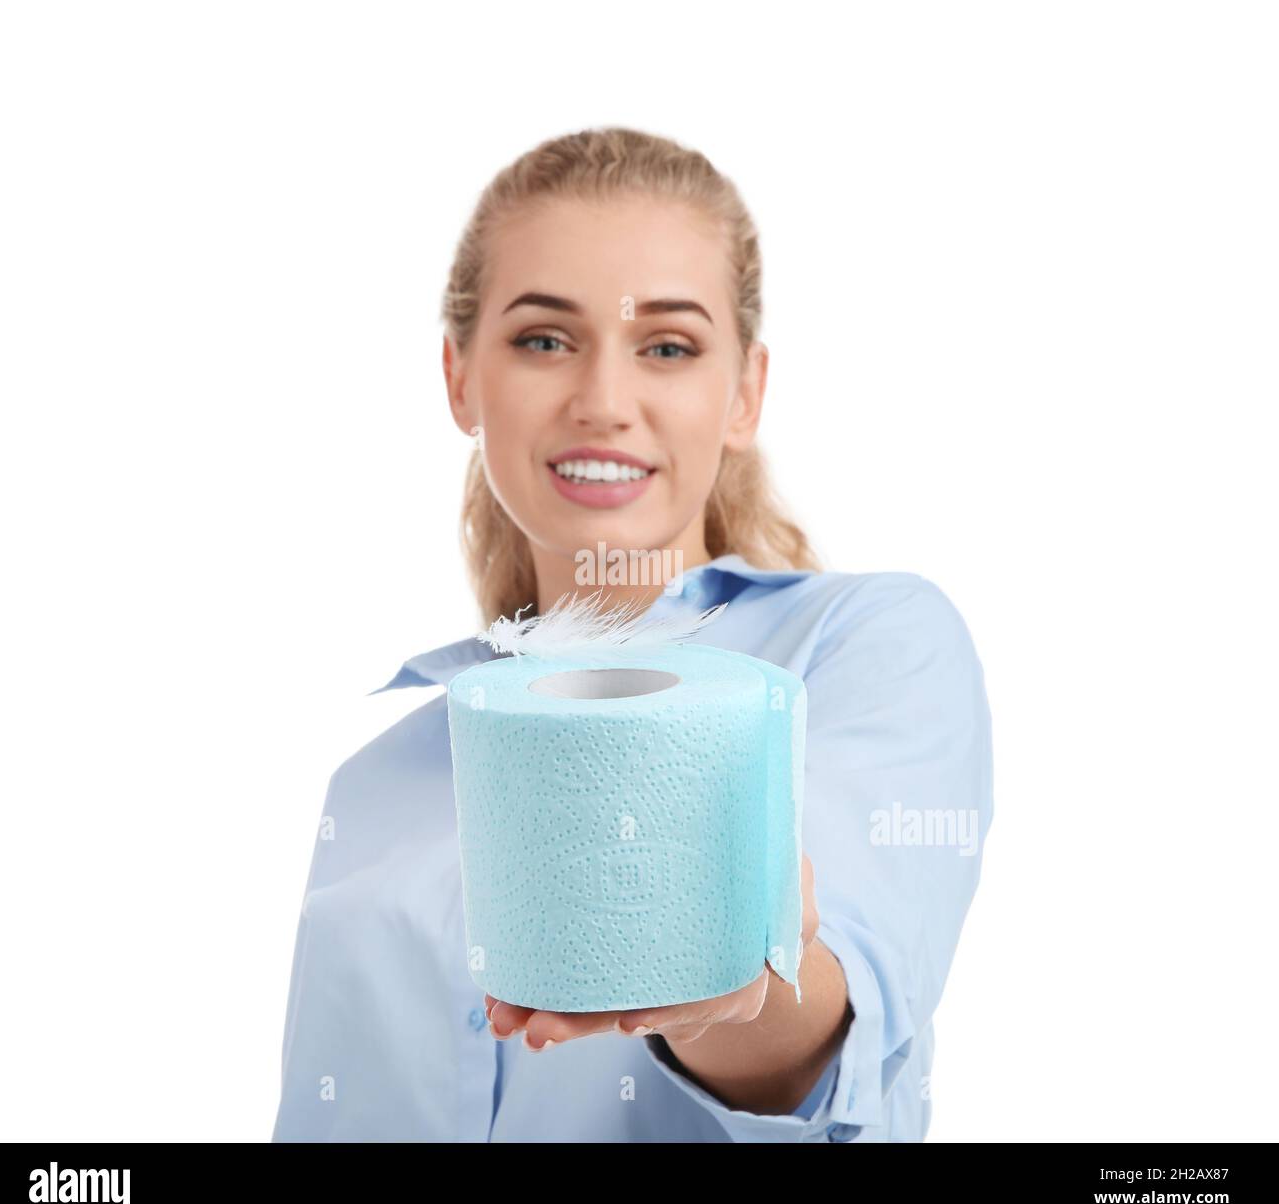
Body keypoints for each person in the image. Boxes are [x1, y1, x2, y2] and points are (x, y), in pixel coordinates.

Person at [270, 126, 993, 1143]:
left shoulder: (862, 649)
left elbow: (831, 1029)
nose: (603, 402)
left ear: (744, 392)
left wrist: (718, 975)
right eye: (542, 339)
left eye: (667, 346)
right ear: (459, 378)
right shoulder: (374, 784)